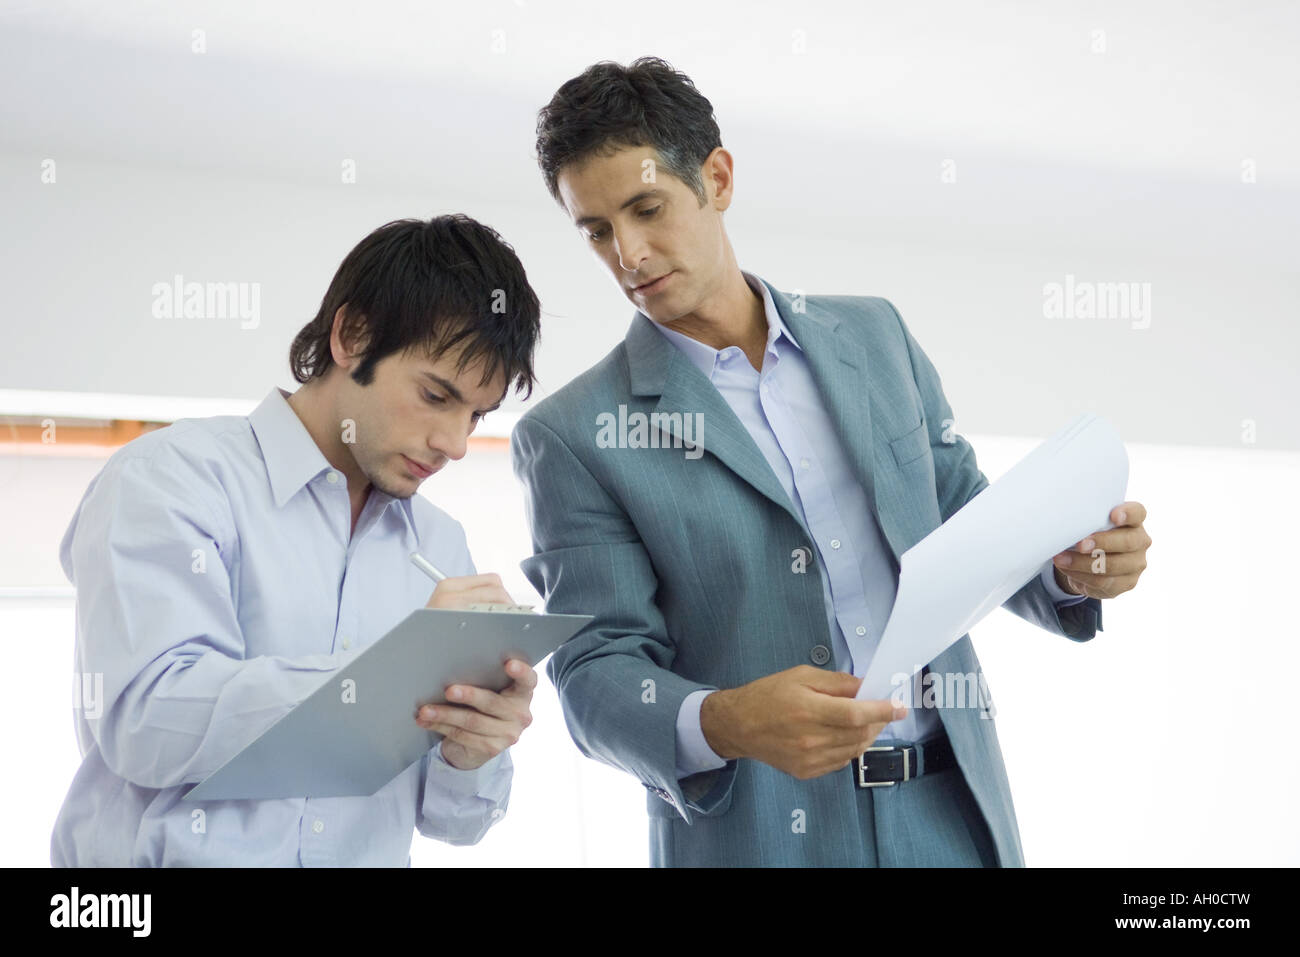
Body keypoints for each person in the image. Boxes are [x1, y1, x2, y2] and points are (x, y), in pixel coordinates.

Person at [511, 57, 1152, 866]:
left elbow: (969, 527)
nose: (628, 253)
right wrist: (728, 718)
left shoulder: (876, 338)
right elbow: (597, 677)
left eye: (646, 208)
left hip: (952, 815)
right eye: (597, 231)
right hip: (758, 840)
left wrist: (1069, 568)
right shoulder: (572, 433)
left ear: (718, 177)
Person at [52, 214, 543, 866]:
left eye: (475, 415)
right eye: (435, 395)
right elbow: (146, 723)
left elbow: (454, 822)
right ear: (352, 334)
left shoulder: (440, 544)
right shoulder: (170, 477)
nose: (454, 443)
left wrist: (473, 748)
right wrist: (396, 673)